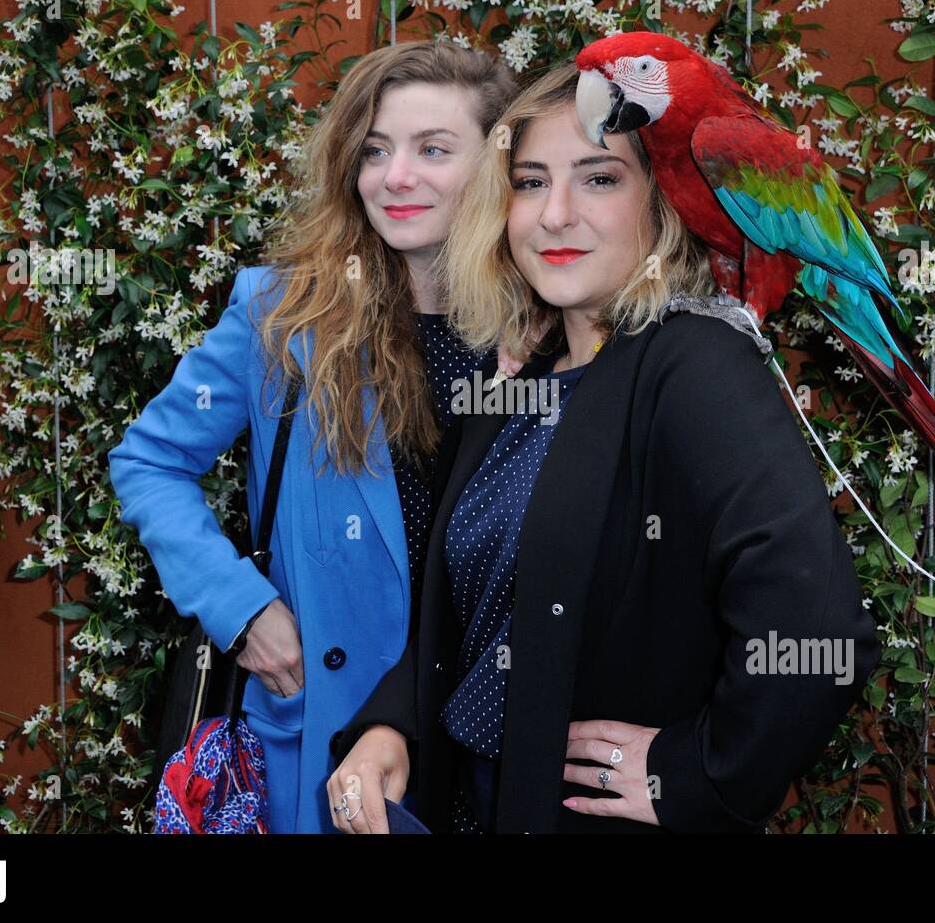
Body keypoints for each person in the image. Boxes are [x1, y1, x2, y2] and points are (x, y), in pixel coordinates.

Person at [327, 63, 881, 833]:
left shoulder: (695, 368)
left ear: (663, 203)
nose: (554, 215)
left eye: (597, 180)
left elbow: (822, 638)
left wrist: (695, 774)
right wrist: (392, 726)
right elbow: (470, 611)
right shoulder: (517, 374)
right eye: (528, 182)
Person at [108, 41, 516, 833]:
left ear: (497, 166)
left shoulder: (545, 325)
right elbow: (149, 460)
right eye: (374, 151)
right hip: (328, 728)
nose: (396, 178)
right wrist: (241, 608)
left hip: (486, 715)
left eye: (434, 149)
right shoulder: (283, 313)